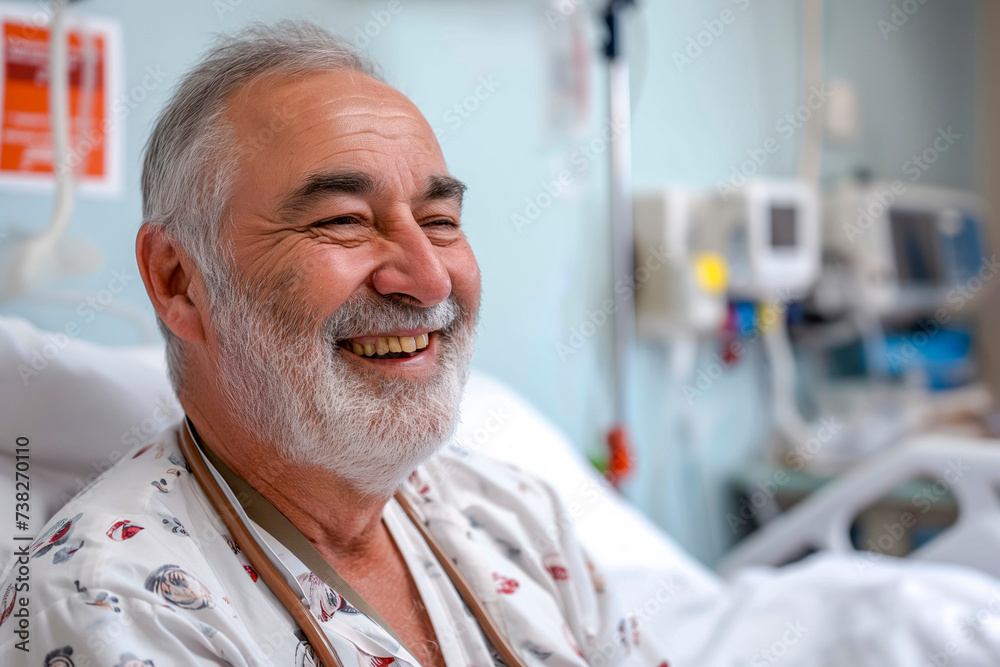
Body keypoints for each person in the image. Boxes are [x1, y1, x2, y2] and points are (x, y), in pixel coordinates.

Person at [1, 21, 666, 667]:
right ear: (180, 281)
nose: (428, 277)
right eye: (343, 221)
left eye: (440, 221)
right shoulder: (109, 608)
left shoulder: (515, 515)